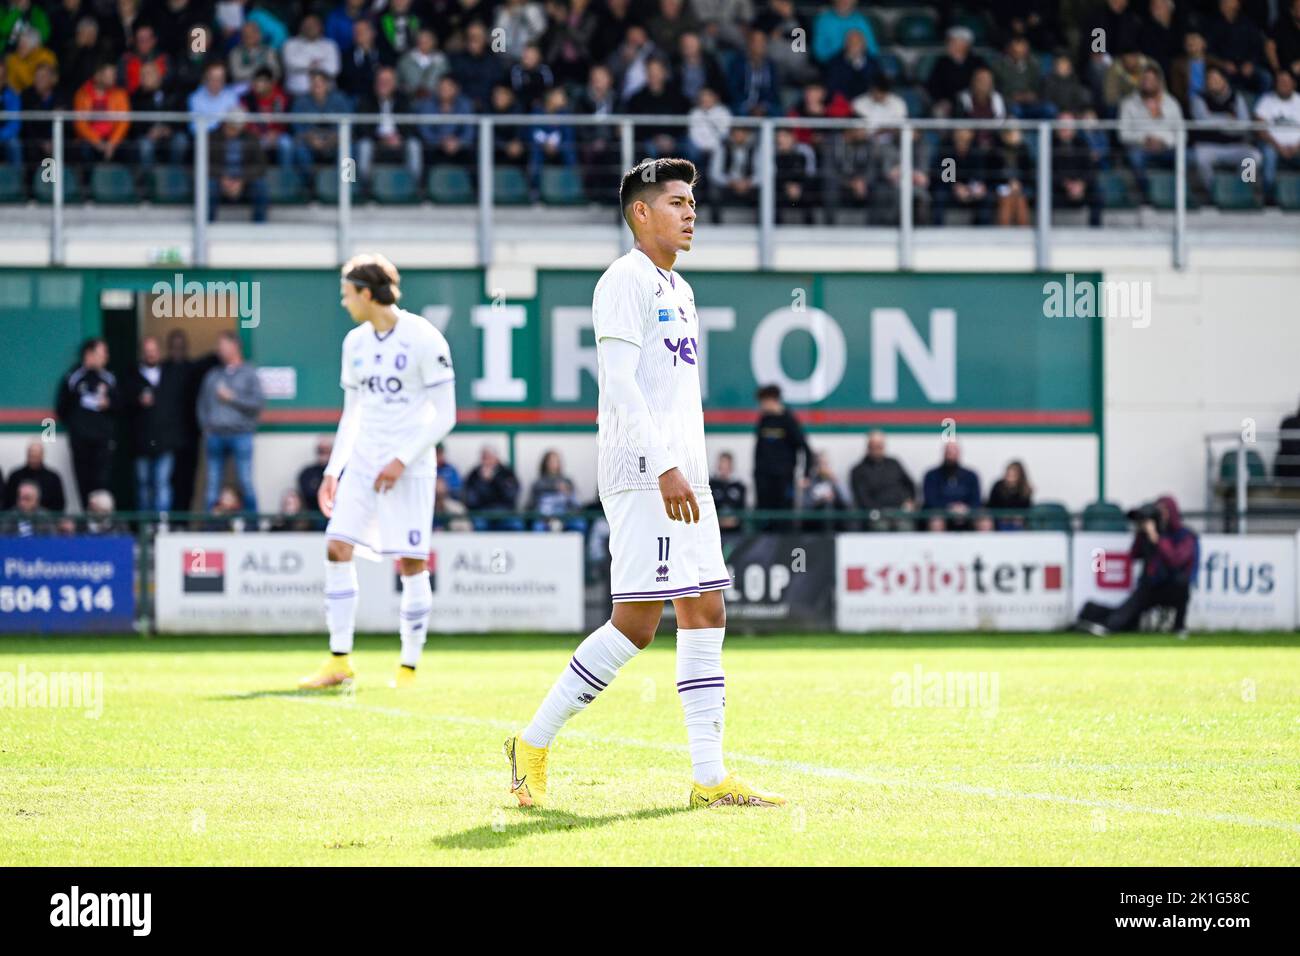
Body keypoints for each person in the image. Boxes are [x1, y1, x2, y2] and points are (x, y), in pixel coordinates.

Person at [506, 158, 785, 812]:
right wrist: (662, 464)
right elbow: (621, 384)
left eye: (693, 203)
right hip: (644, 476)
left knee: (708, 609)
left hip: (685, 477)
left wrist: (687, 466)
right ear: (641, 212)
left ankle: (710, 778)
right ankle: (531, 743)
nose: (691, 213)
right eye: (678, 202)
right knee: (635, 626)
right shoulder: (623, 281)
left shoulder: (679, 289)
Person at [300, 253, 457, 691]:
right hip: (364, 462)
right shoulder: (355, 343)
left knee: (410, 563)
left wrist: (402, 459)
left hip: (409, 466)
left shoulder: (425, 338)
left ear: (367, 294)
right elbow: (352, 413)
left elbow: (445, 415)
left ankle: (407, 666)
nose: (344, 302)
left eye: (348, 294)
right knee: (336, 547)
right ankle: (339, 661)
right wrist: (335, 469)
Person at [1076, 496, 1198, 635]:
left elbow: (1175, 560)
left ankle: (1179, 627)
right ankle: (1106, 625)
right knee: (1128, 611)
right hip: (1151, 587)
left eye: (1164, 511)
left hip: (1174, 587)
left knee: (1182, 582)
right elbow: (1134, 554)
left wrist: (1156, 538)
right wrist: (1142, 533)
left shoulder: (1185, 536)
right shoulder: (1147, 536)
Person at [197, 330, 265, 516]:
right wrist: (206, 427)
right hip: (215, 435)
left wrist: (233, 398)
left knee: (245, 481)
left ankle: (253, 525)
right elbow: (202, 404)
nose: (219, 350)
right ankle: (209, 528)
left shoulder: (249, 373)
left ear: (235, 346)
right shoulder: (213, 375)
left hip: (241, 434)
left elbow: (258, 403)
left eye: (223, 346)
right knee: (212, 484)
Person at [123, 335, 183, 513]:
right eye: (147, 352)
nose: (151, 355)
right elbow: (122, 404)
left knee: (162, 484)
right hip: (141, 443)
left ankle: (161, 525)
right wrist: (137, 400)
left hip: (165, 442)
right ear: (142, 353)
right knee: (143, 486)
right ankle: (146, 527)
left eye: (154, 351)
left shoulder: (171, 374)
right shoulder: (131, 375)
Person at [55, 338, 117, 509]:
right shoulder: (73, 377)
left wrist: (109, 403)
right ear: (89, 354)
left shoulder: (109, 378)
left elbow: (122, 405)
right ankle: (87, 522)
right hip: (81, 440)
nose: (106, 357)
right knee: (83, 482)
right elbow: (62, 408)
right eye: (102, 353)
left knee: (101, 482)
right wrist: (77, 426)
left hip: (103, 441)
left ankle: (102, 522)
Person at [752, 382, 813, 522]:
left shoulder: (788, 420)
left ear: (772, 400)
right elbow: (758, 450)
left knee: (784, 517)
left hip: (783, 479)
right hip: (764, 480)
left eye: (763, 402)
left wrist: (806, 473)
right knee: (765, 518)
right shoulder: (764, 420)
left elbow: (804, 447)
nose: (761, 406)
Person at [848, 429, 914, 529]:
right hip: (876, 515)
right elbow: (862, 498)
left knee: (905, 526)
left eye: (880, 445)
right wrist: (878, 511)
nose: (878, 449)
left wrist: (909, 501)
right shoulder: (858, 470)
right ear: (869, 446)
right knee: (881, 527)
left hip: (899, 512)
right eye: (875, 445)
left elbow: (910, 485)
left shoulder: (894, 464)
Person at [1255, 69, 1300, 204]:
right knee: (1262, 156)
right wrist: (1278, 147)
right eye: (1280, 82)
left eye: (1287, 81)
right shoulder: (1266, 100)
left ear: (1293, 83)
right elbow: (1260, 129)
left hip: (1298, 147)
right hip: (1272, 146)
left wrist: (1297, 147)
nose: (1283, 84)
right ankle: (1269, 198)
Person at [921, 442, 981, 530]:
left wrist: (965, 509)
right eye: (948, 453)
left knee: (984, 521)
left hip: (966, 514)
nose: (951, 456)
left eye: (954, 453)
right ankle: (937, 543)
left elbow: (976, 500)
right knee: (936, 521)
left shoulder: (971, 475)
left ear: (959, 454)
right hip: (941, 513)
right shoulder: (931, 475)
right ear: (944, 453)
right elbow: (930, 500)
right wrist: (949, 508)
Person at [463, 445, 523, 530]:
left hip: (505, 512)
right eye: (484, 458)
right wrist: (483, 482)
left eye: (489, 457)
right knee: (479, 525)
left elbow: (511, 496)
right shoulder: (474, 475)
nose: (487, 461)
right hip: (482, 513)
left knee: (516, 524)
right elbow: (471, 500)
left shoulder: (506, 473)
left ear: (496, 458)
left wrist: (495, 480)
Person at [527, 449, 584, 532]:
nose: (554, 463)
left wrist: (568, 494)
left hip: (565, 518)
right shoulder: (538, 483)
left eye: (556, 461)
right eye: (551, 461)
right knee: (537, 527)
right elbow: (533, 505)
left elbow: (575, 504)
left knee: (579, 524)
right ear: (545, 463)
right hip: (544, 519)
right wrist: (555, 487)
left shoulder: (567, 481)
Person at [3, 440, 67, 512]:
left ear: (42, 455)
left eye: (36, 456)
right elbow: (7, 503)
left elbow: (59, 506)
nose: (33, 460)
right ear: (27, 455)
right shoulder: (15, 476)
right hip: (17, 519)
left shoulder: (53, 478)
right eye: (31, 456)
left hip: (46, 520)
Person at [804, 451, 848, 530]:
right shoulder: (810, 482)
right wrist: (820, 501)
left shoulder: (835, 481)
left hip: (835, 520)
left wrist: (836, 483)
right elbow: (806, 505)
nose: (822, 467)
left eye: (825, 464)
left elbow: (847, 500)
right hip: (815, 520)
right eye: (819, 464)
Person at [987, 460, 1033, 530]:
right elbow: (991, 505)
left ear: (1020, 475)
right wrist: (1001, 515)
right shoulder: (998, 486)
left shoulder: (1025, 489)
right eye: (1009, 473)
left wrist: (1020, 516)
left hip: (1018, 523)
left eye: (1014, 474)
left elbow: (1027, 508)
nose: (1011, 476)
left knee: (1018, 526)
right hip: (1000, 520)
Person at [709, 451, 745, 531]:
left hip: (735, 531)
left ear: (731, 466)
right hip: (715, 529)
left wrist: (734, 521)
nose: (724, 467)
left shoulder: (739, 486)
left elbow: (742, 508)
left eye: (727, 464)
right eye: (722, 464)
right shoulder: (710, 485)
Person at [297, 436, 332, 515]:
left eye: (327, 450)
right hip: (313, 516)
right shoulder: (307, 473)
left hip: (335, 514)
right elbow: (309, 495)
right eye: (321, 450)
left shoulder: (341, 473)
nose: (324, 453)